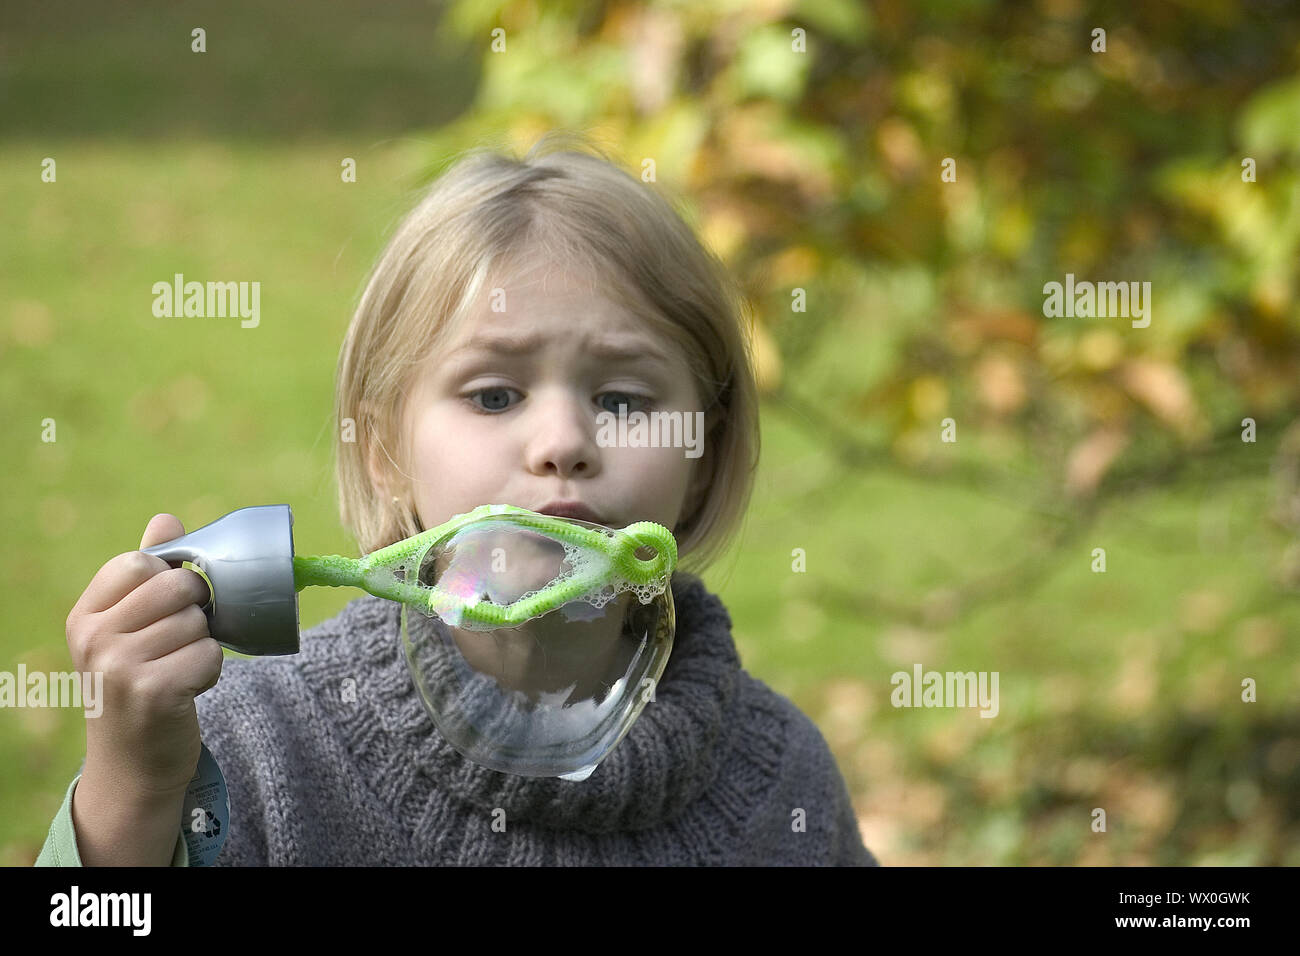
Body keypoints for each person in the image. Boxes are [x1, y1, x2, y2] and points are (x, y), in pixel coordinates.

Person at [37, 134, 880, 866]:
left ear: (705, 452)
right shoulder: (252, 753)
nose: (563, 442)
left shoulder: (782, 784)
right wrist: (134, 788)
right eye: (494, 396)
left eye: (623, 400)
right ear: (384, 453)